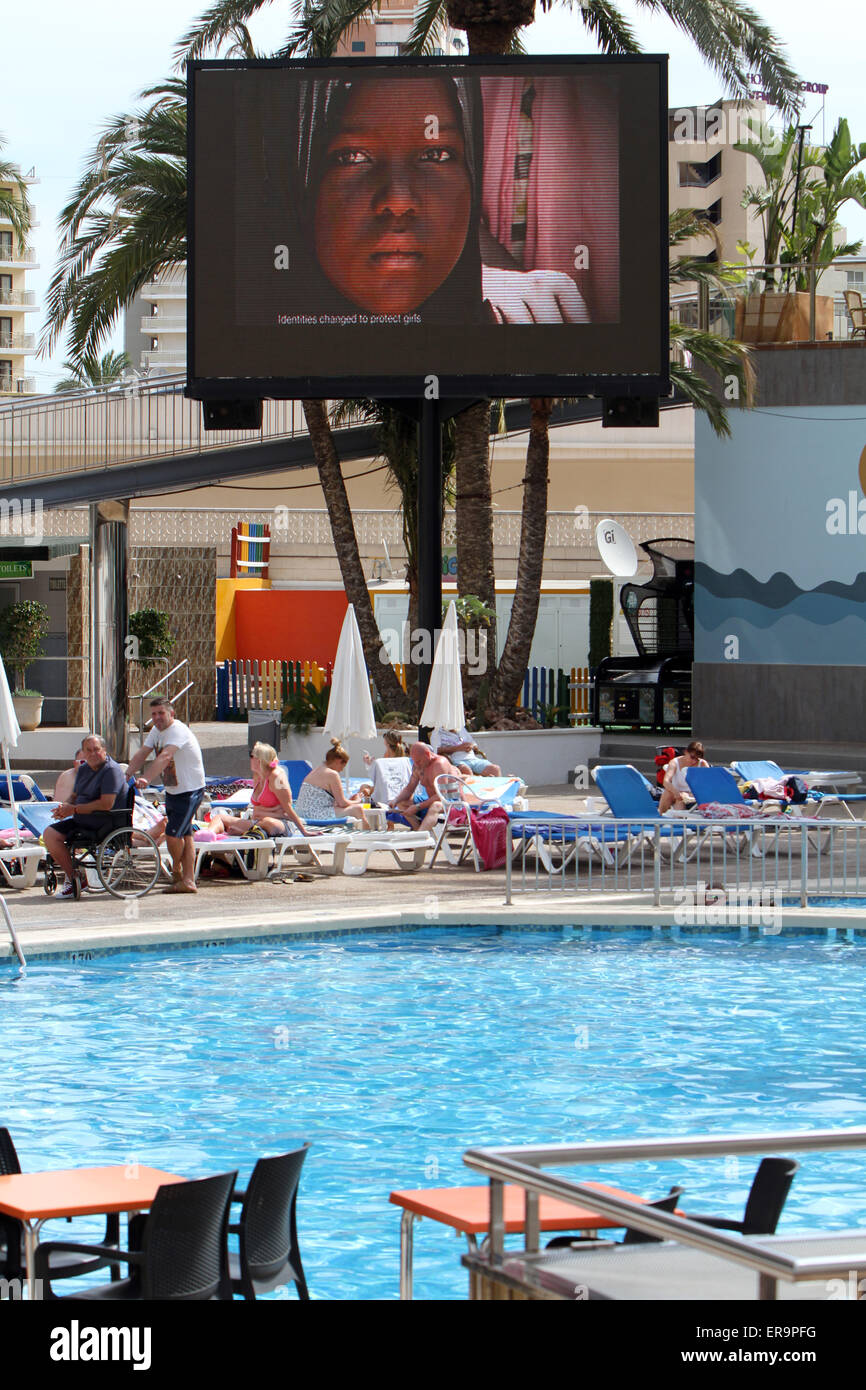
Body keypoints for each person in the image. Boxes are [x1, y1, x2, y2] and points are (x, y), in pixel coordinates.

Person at [125, 698, 206, 894]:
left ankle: (177, 871)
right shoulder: (156, 731)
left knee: (172, 834)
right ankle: (188, 881)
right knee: (185, 834)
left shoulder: (178, 730)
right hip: (173, 790)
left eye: (161, 713)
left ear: (172, 714)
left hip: (190, 790)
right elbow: (142, 753)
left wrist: (146, 777)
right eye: (153, 714)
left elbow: (165, 756)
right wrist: (126, 774)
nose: (157, 718)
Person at [43, 734, 127, 898]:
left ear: (104, 750)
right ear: (83, 752)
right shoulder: (83, 769)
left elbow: (106, 804)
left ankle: (74, 880)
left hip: (104, 822)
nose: (93, 754)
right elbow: (74, 796)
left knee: (59, 832)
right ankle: (75, 878)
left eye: (96, 749)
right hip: (81, 819)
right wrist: (64, 807)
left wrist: (73, 810)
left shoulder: (111, 771)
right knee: (49, 834)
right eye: (88, 750)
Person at [209, 742, 319, 840]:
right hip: (257, 823)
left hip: (281, 824)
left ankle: (242, 831)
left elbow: (288, 808)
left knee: (268, 822)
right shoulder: (257, 776)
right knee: (219, 817)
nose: (250, 759)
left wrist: (304, 831)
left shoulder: (276, 777)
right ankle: (208, 835)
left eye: (251, 756)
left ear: (259, 760)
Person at [295, 739, 369, 828]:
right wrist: (357, 800)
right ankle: (368, 834)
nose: (341, 769)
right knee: (358, 809)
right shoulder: (332, 774)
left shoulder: (317, 770)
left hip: (301, 813)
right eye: (342, 766)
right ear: (338, 760)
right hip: (314, 815)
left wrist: (350, 801)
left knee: (349, 809)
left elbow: (332, 802)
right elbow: (342, 803)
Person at [390, 742, 455, 834]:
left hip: (451, 802)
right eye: (414, 761)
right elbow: (409, 788)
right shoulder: (418, 766)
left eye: (419, 761)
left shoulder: (439, 764)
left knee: (436, 805)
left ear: (428, 754)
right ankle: (418, 832)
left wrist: (418, 807)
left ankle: (419, 838)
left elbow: (442, 795)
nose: (417, 764)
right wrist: (395, 800)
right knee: (402, 802)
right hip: (431, 801)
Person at [659, 741, 709, 814]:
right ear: (686, 752)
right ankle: (660, 815)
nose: (694, 761)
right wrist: (676, 792)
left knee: (679, 802)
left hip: (692, 795)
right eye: (692, 757)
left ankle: (677, 821)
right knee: (668, 792)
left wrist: (689, 794)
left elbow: (709, 783)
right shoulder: (675, 762)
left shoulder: (702, 764)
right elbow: (666, 781)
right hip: (676, 793)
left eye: (697, 759)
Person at [431, 726, 501, 778]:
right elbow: (436, 750)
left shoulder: (461, 729)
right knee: (466, 771)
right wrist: (457, 748)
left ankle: (497, 795)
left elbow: (474, 745)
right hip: (457, 761)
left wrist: (471, 746)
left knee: (495, 769)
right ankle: (471, 794)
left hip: (473, 759)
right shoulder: (437, 732)